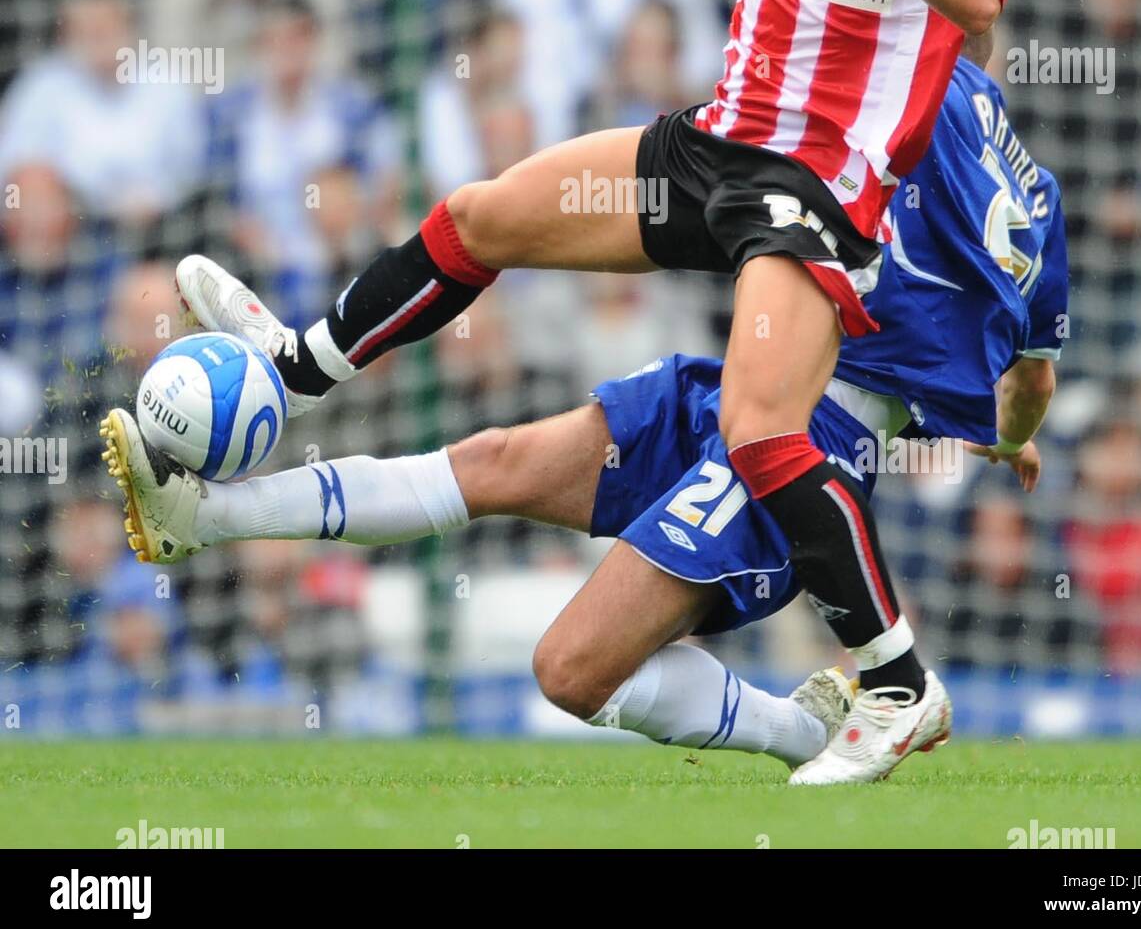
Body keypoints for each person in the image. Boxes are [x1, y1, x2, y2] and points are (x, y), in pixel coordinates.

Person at [171, 0, 1017, 735]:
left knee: (759, 433)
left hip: (808, 189)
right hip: (717, 145)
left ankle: (896, 684)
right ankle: (292, 372)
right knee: (482, 216)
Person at [103, 43, 1064, 785]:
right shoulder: (1025, 188)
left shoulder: (914, 91)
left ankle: (810, 722)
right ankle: (208, 518)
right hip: (734, 381)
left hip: (802, 436)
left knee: (570, 671)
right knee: (496, 461)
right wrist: (1003, 438)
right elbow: (1028, 385)